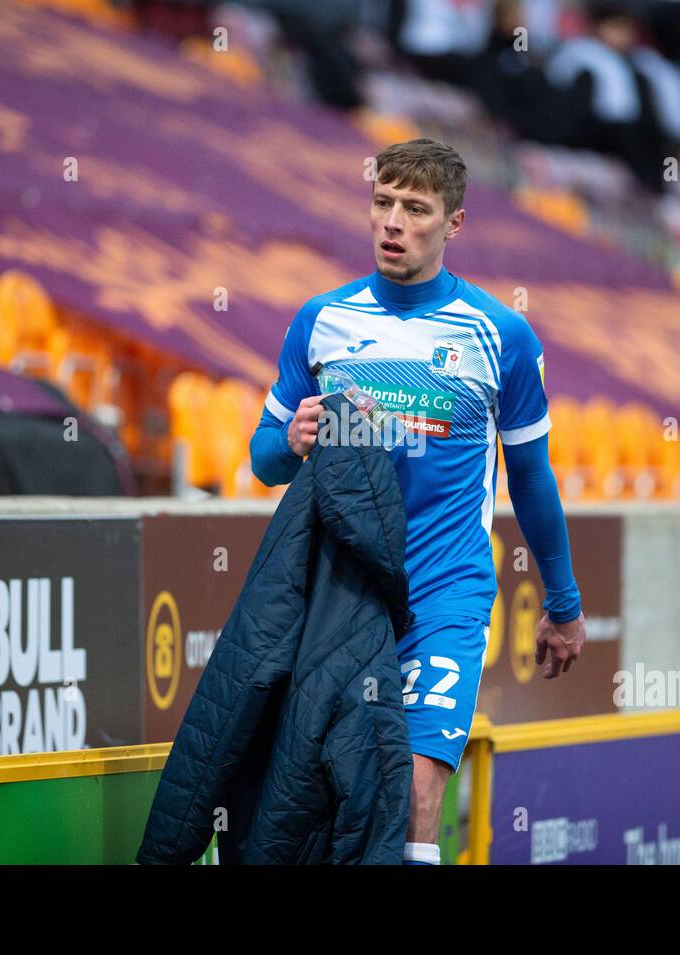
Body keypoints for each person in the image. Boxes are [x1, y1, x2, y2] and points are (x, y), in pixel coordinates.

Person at [249, 138, 587, 865]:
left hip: (445, 591)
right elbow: (261, 456)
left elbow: (531, 479)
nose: (392, 223)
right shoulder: (322, 320)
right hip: (341, 593)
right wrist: (293, 438)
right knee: (316, 790)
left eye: (414, 208)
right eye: (382, 203)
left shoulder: (500, 335)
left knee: (414, 786)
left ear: (453, 224)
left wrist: (563, 603)